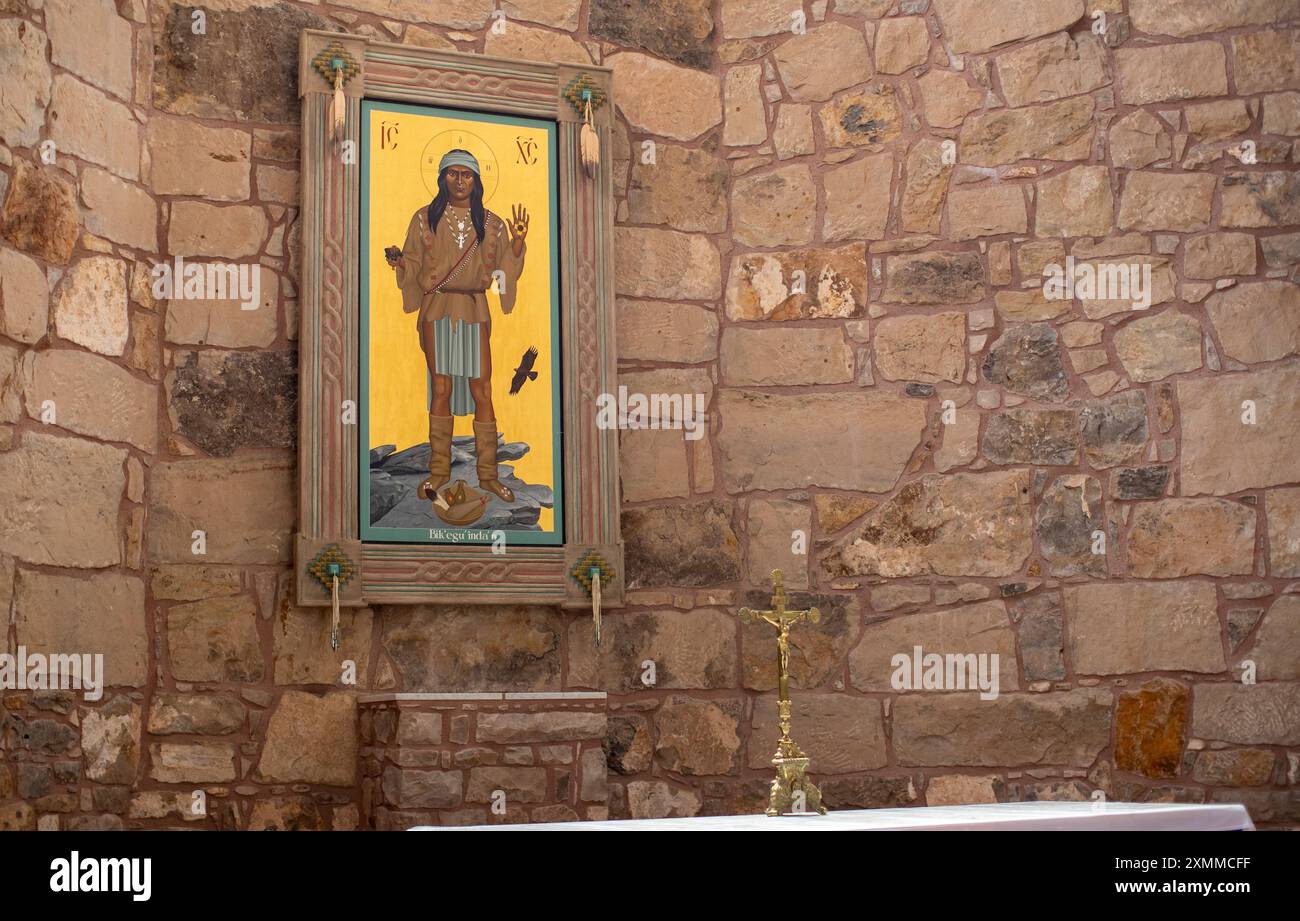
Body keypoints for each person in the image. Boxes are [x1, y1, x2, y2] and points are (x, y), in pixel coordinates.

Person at [386, 149, 528, 504]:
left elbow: (505, 270)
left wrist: (519, 241)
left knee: (482, 387)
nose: (460, 181)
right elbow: (415, 265)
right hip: (438, 308)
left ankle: (489, 476)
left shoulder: (492, 224)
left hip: (474, 307)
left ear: (477, 181)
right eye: (453, 174)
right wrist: (401, 262)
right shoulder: (424, 219)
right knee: (441, 386)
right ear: (442, 178)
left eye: (467, 175)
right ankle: (438, 472)